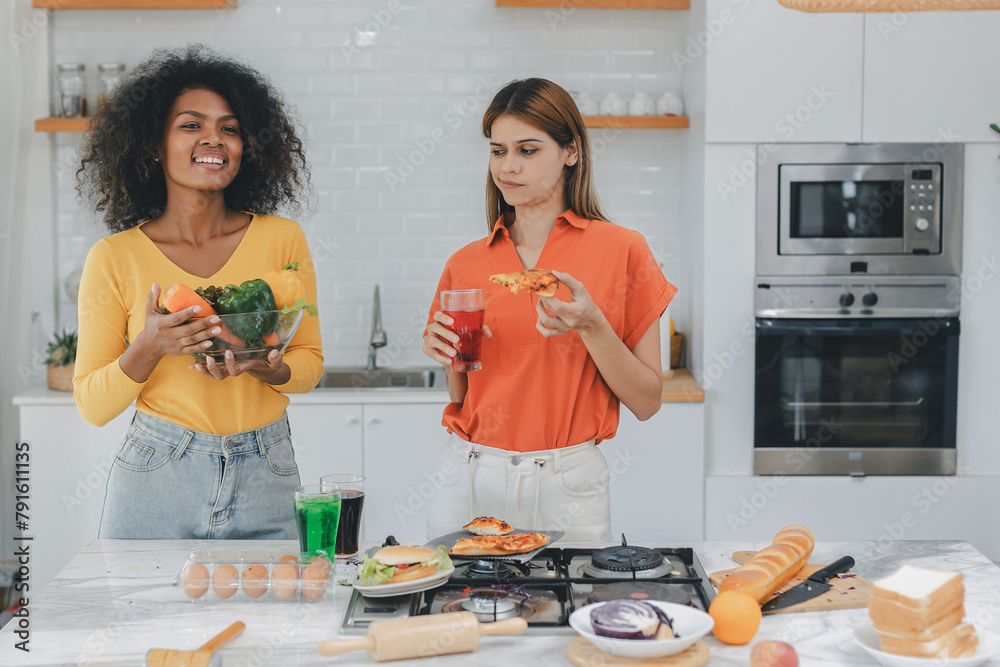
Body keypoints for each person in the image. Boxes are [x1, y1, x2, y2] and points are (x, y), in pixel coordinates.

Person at [73, 45, 322, 540]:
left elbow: (311, 365)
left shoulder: (282, 239)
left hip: (266, 468)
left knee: (278, 617)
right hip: (157, 472)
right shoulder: (115, 256)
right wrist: (148, 348)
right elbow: (92, 405)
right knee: (141, 617)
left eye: (229, 128)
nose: (214, 138)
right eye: (191, 125)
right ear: (153, 145)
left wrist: (272, 367)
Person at [422, 78, 677, 542]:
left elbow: (647, 401)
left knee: (569, 613)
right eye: (498, 151)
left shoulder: (623, 250)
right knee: (458, 612)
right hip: (469, 476)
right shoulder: (465, 262)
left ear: (571, 152)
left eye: (527, 149)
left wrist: (593, 325)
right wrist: (446, 352)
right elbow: (463, 394)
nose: (508, 166)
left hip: (568, 487)